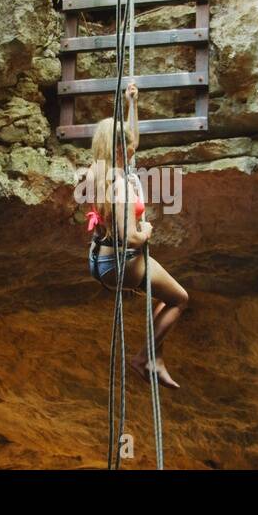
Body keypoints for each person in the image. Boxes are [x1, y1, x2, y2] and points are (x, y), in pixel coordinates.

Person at [83, 83, 188, 389]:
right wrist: (147, 231)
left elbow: (132, 140)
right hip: (123, 262)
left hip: (98, 259)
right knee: (180, 299)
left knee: (162, 298)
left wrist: (132, 104)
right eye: (127, 146)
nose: (133, 149)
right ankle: (144, 358)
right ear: (119, 148)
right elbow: (130, 238)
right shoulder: (122, 187)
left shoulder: (96, 171)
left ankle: (154, 358)